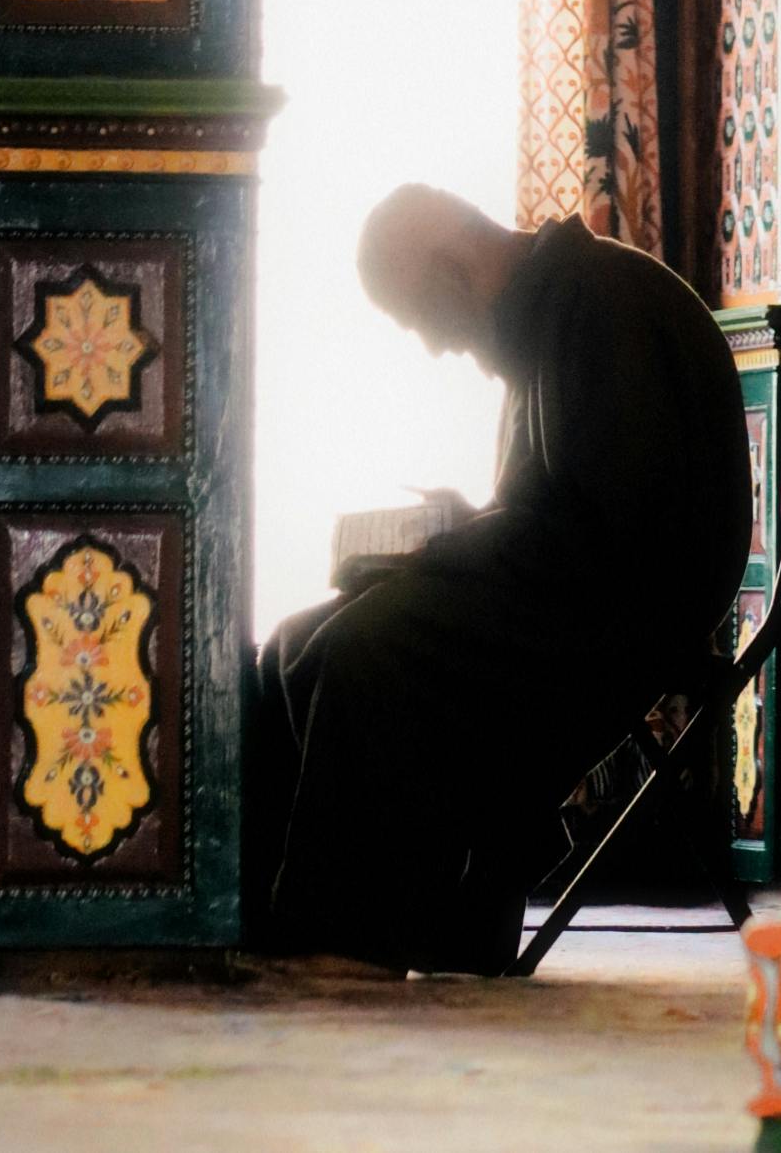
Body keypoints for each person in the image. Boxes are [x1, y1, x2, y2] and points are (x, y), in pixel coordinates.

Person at [248, 184, 753, 971]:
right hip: (567, 590)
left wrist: (442, 554)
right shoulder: (553, 311)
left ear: (451, 269)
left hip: (625, 610)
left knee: (368, 648)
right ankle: (268, 917)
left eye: (421, 319)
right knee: (293, 640)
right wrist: (455, 533)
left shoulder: (604, 302)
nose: (434, 347)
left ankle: (345, 937)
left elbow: (612, 532)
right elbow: (556, 508)